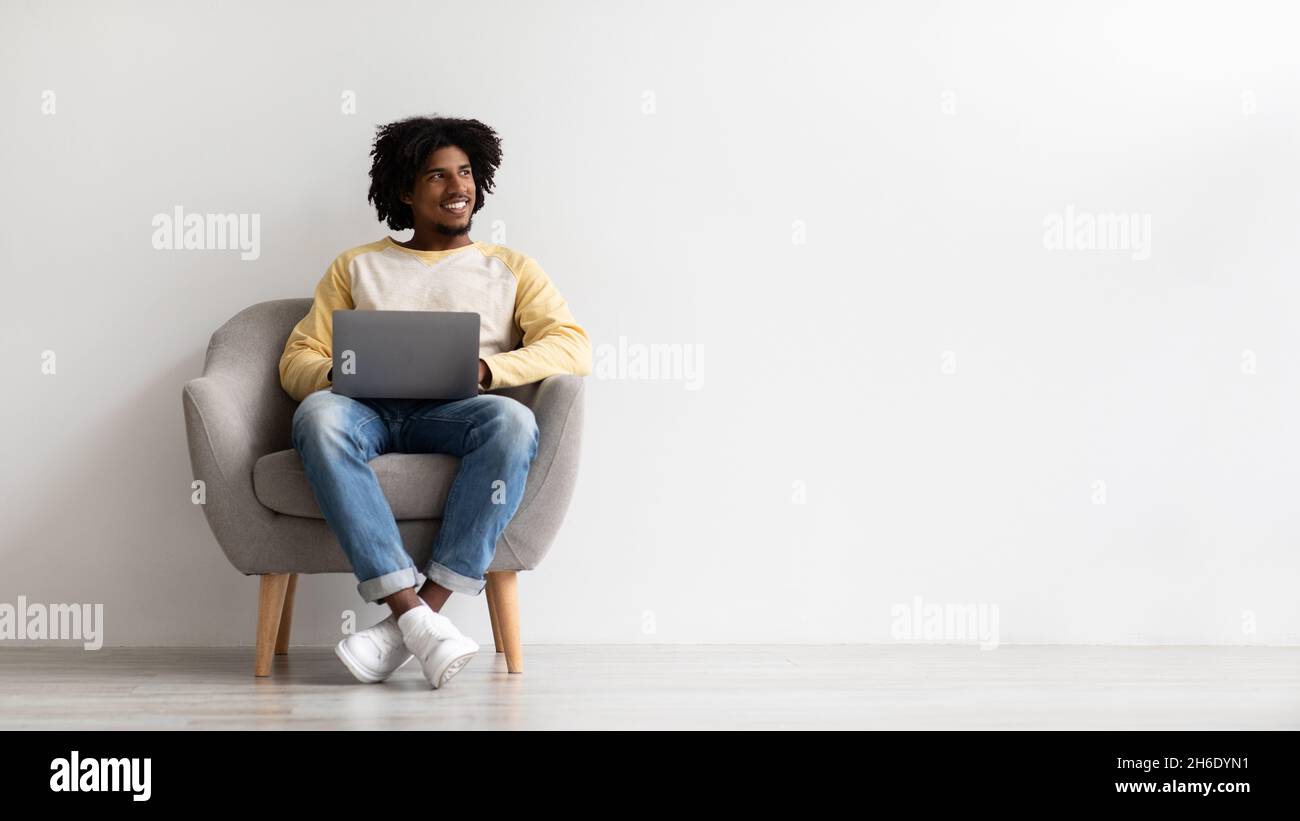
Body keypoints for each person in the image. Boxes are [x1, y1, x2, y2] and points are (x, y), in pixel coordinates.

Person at [278, 115, 592, 689]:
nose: (458, 188)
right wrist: (342, 375)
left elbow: (572, 346)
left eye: (466, 173)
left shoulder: (512, 267)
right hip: (366, 411)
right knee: (318, 417)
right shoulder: (356, 265)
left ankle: (411, 619)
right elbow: (298, 356)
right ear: (405, 191)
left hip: (458, 414)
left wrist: (487, 368)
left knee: (514, 422)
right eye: (438, 176)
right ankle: (420, 619)